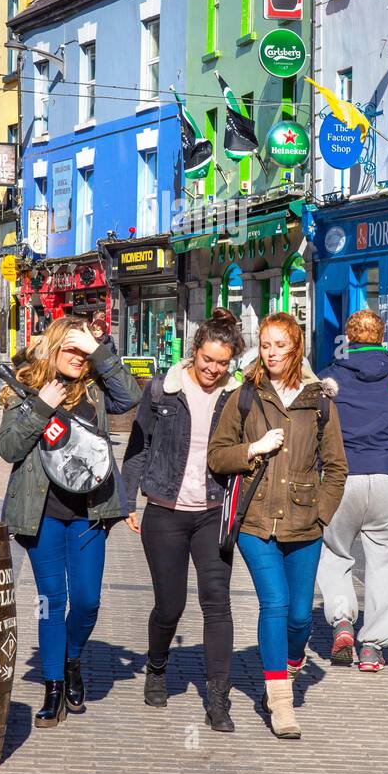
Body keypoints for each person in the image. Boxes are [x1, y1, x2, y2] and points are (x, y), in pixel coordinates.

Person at [208, 312, 348, 740]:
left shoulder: (319, 399)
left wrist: (321, 513)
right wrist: (252, 449)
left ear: (296, 348)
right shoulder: (245, 396)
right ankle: (281, 702)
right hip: (254, 520)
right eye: (265, 345)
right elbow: (218, 455)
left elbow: (337, 467)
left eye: (279, 346)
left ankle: (291, 659)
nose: (270, 353)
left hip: (305, 523)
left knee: (301, 617)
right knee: (276, 603)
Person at [0, 316, 141, 726]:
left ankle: (72, 656)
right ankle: (53, 685)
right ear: (54, 348)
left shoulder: (96, 388)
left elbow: (129, 397)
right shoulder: (24, 388)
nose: (79, 357)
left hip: (90, 512)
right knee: (49, 602)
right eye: (72, 349)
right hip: (40, 514)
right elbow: (8, 448)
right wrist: (42, 404)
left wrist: (99, 351)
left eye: (84, 350)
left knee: (87, 600)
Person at [122, 313, 244, 732]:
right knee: (170, 605)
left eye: (222, 363)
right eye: (208, 360)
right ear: (194, 352)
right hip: (165, 510)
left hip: (213, 511)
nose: (213, 370)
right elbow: (139, 445)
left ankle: (218, 699)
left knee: (217, 601)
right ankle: (156, 667)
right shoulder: (162, 390)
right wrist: (128, 500)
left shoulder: (237, 396)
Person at [315, 310, 388, 673]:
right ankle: (373, 646)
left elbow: (311, 431)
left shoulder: (328, 378)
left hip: (339, 481)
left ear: (347, 339)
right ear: (382, 337)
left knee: (333, 552)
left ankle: (342, 618)